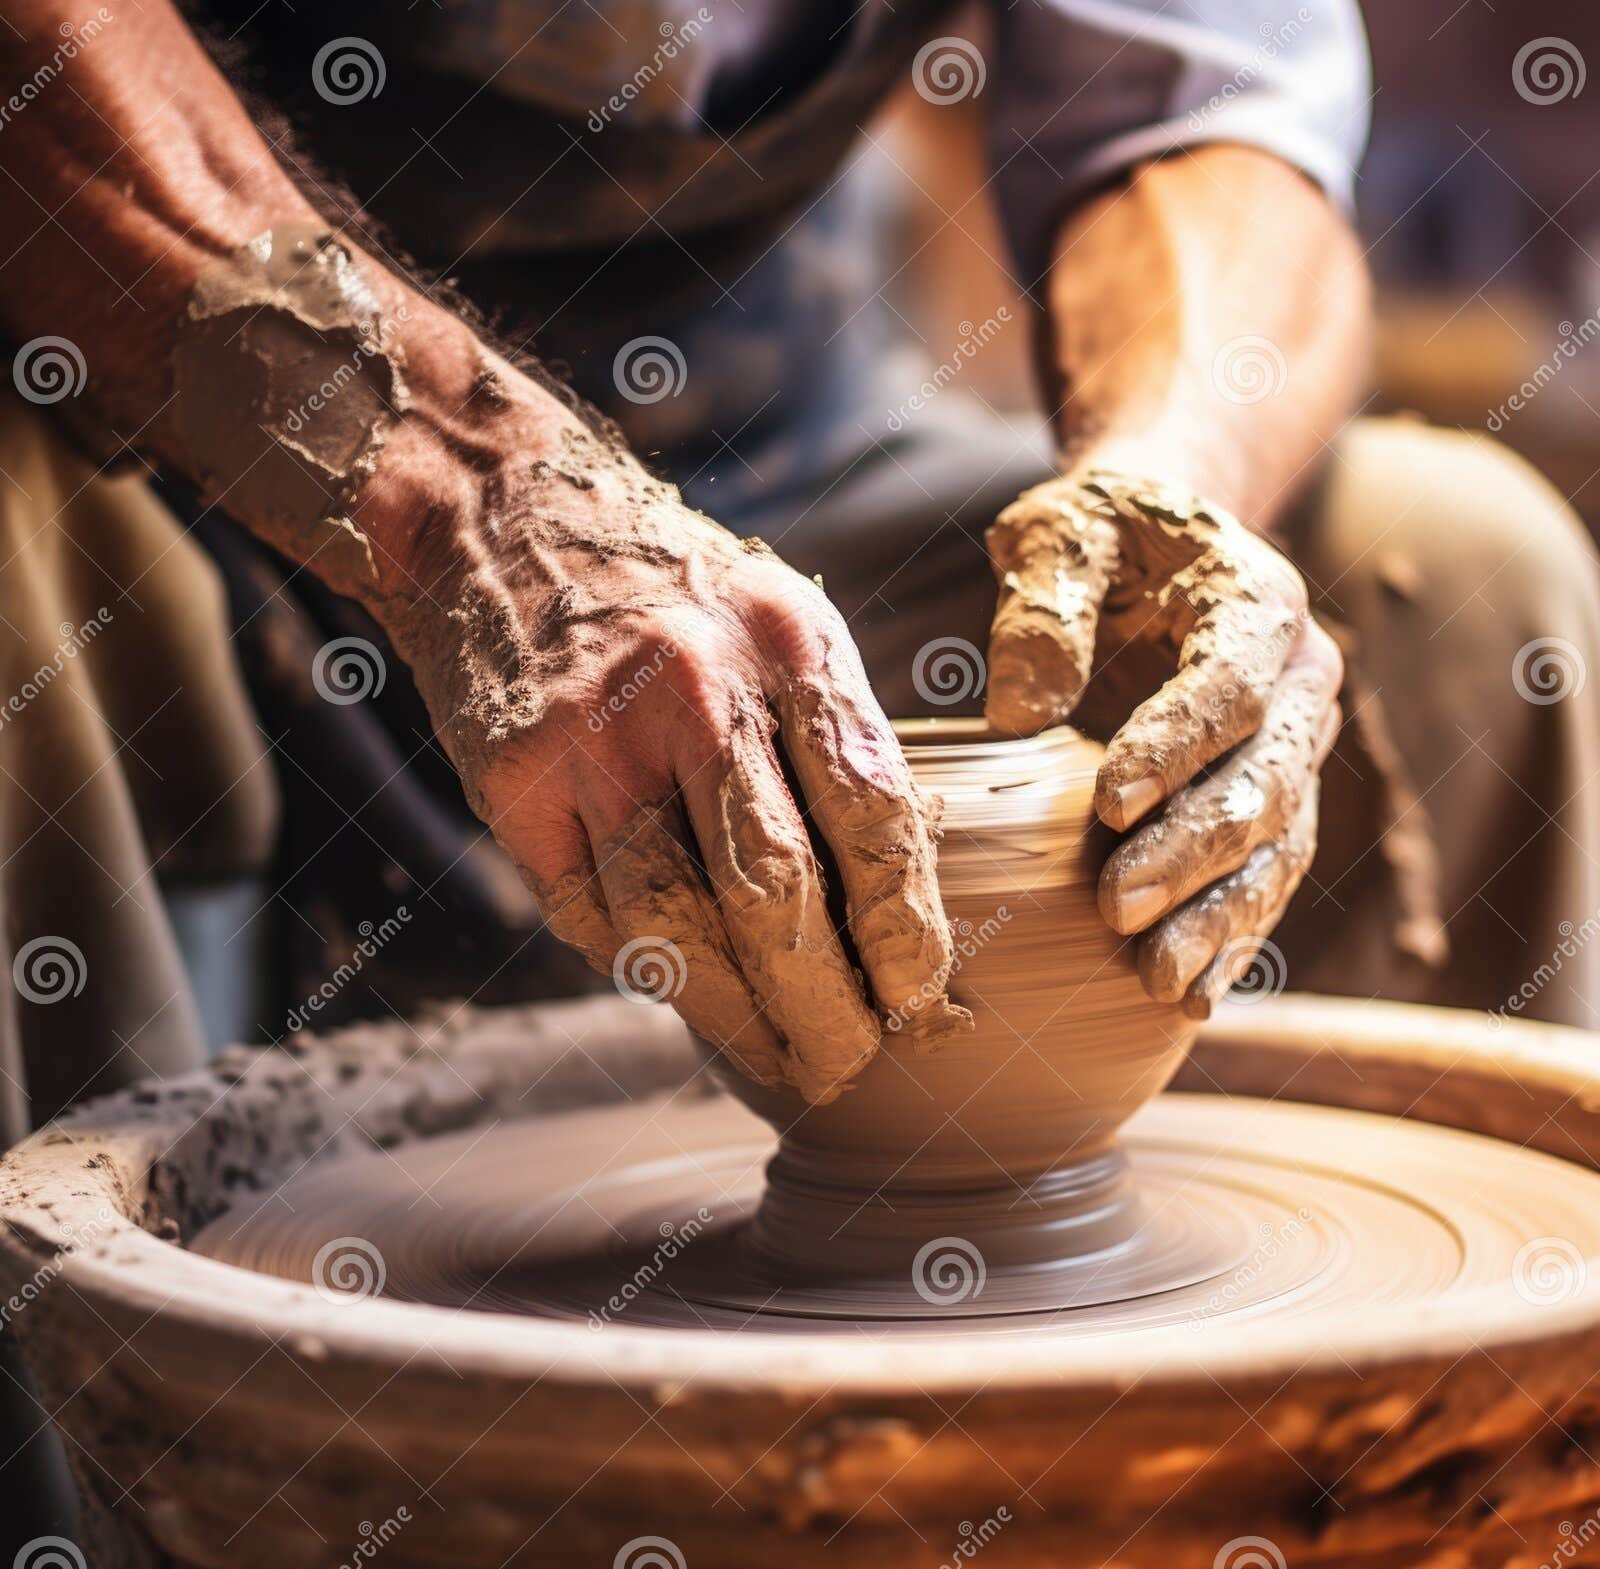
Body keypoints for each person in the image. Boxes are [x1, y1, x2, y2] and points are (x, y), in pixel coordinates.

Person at [1, 0, 1597, 1124]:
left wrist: (1167, 484)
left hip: (775, 449)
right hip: (155, 437)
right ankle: (135, 1535)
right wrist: (475, 503)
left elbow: (1199, 113)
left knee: (1455, 576)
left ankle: (1345, 1529)